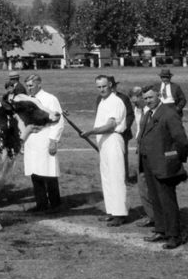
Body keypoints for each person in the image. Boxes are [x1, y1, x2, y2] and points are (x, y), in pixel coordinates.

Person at [138, 85, 188, 249]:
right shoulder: (147, 113)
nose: (148, 101)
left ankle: (174, 235)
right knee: (155, 198)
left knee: (167, 200)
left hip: (165, 164)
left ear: (158, 95)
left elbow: (181, 139)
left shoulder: (168, 113)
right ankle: (161, 230)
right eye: (145, 98)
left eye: (150, 97)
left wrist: (176, 159)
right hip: (149, 163)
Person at [80, 75, 129, 226]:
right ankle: (111, 211)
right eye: (99, 87)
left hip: (113, 139)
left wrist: (91, 132)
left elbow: (111, 125)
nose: (101, 89)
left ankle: (120, 213)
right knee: (107, 177)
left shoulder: (116, 101)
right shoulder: (103, 101)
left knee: (116, 177)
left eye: (104, 86)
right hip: (104, 142)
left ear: (111, 86)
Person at [22, 74, 64, 212]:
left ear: (39, 84)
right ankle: (41, 204)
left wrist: (53, 140)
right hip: (31, 140)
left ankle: (55, 204)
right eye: (27, 86)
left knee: (48, 172)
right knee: (35, 173)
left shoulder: (50, 99)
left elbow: (58, 121)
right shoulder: (27, 100)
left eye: (31, 85)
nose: (29, 88)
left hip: (45, 138)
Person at [128, 86, 156, 228]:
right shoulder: (138, 109)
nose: (135, 104)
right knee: (142, 184)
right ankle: (152, 216)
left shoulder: (151, 111)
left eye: (137, 101)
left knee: (149, 184)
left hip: (151, 151)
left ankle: (156, 217)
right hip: (141, 148)